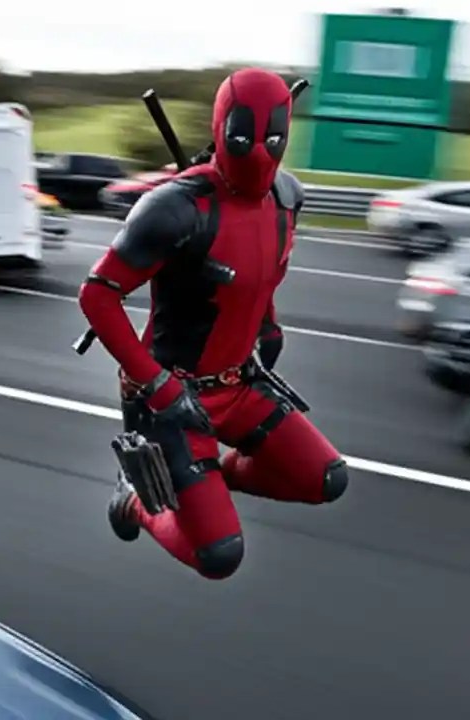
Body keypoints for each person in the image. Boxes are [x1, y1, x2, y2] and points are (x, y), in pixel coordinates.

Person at [76, 67, 349, 581]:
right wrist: (157, 387)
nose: (260, 151)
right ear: (222, 127)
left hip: (239, 382)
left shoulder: (287, 201)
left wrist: (268, 330)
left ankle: (201, 482)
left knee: (324, 478)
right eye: (244, 137)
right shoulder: (177, 208)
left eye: (274, 137)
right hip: (171, 397)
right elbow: (97, 294)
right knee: (219, 556)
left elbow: (263, 279)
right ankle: (136, 500)